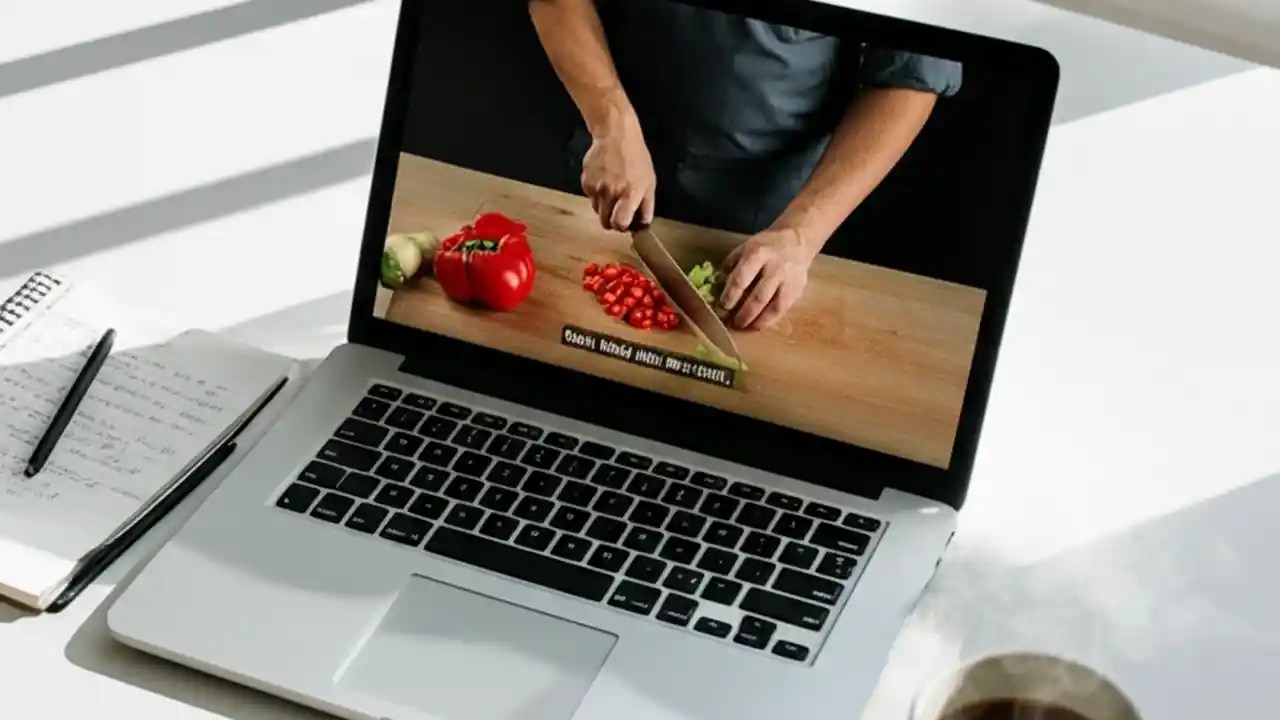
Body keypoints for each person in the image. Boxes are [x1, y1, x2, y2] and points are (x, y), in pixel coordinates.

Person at [529, 0, 962, 330]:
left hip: (768, 223)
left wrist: (799, 235)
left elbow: (910, 77)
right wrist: (610, 121)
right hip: (603, 178)